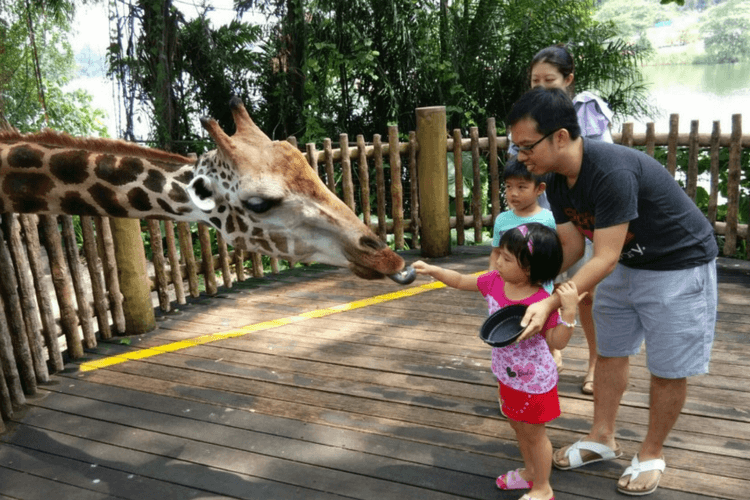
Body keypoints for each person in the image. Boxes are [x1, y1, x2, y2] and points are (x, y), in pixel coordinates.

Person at [506, 86, 718, 496]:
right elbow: (571, 247)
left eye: (527, 146)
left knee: (668, 366)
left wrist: (552, 301)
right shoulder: (558, 180)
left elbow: (601, 258)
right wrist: (532, 284)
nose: (520, 157)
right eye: (516, 147)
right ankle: (602, 437)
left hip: (677, 263)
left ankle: (652, 452)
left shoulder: (610, 171)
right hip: (627, 262)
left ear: (561, 137)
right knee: (611, 351)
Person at [414, 223, 585, 500]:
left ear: (529, 268)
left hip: (535, 382)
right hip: (506, 376)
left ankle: (543, 488)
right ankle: (530, 472)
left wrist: (569, 311)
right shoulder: (494, 281)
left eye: (506, 258)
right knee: (518, 426)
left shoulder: (541, 300)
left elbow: (557, 342)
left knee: (535, 434)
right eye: (499, 254)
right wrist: (434, 271)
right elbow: (460, 280)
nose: (497, 261)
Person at [516, 43, 614, 394]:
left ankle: (594, 362)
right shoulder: (528, 118)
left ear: (569, 79)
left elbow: (598, 166)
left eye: (550, 80)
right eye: (535, 81)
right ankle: (551, 349)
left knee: (585, 292)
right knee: (545, 283)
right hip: (545, 214)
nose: (541, 87)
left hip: (587, 217)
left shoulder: (584, 115)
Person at [489, 158, 562, 377]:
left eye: (522, 187)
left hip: (541, 289)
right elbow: (496, 252)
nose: (513, 193)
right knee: (510, 333)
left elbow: (555, 256)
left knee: (541, 333)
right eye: (509, 186)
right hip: (508, 289)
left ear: (539, 189)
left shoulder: (550, 219)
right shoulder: (502, 220)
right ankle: (510, 374)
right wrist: (492, 277)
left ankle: (548, 365)